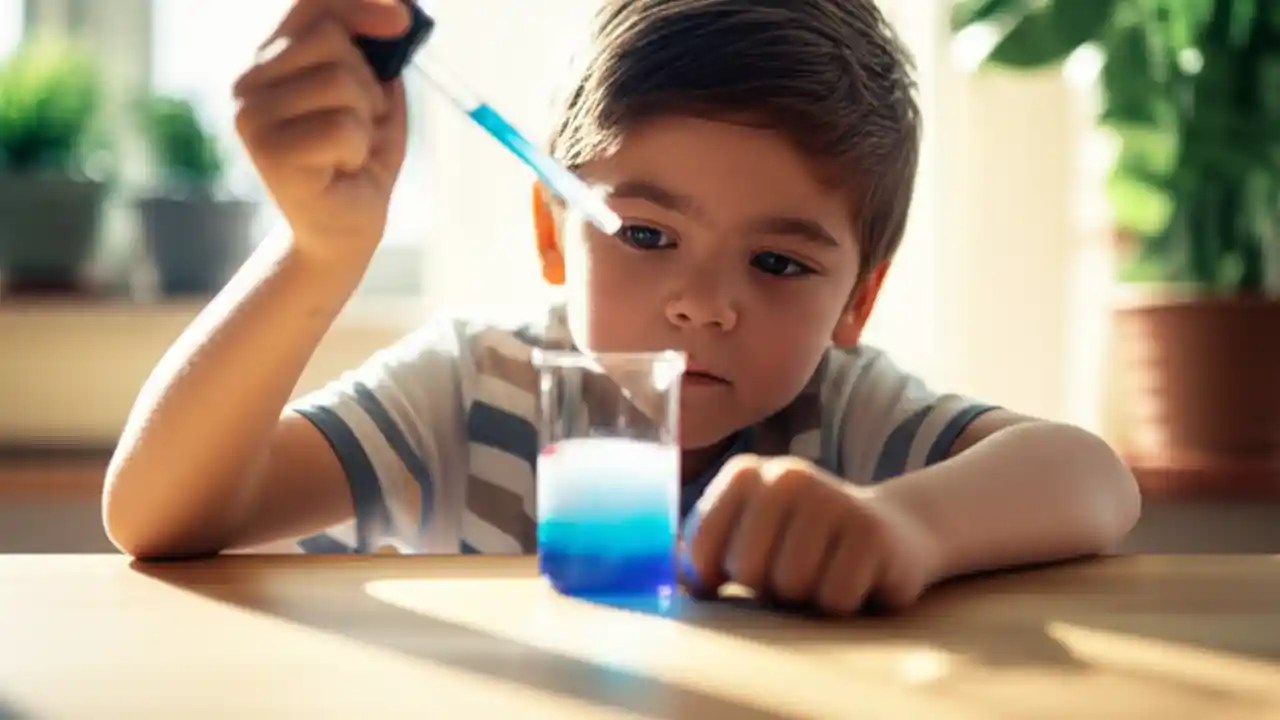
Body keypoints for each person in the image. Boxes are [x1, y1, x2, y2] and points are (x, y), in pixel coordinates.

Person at [103, 0, 1141, 616]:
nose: (700, 305)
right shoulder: (468, 390)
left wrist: (902, 528)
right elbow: (155, 515)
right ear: (554, 234)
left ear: (853, 302)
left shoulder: (845, 415)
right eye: (644, 235)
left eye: (778, 263)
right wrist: (316, 254)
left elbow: (1092, 480)